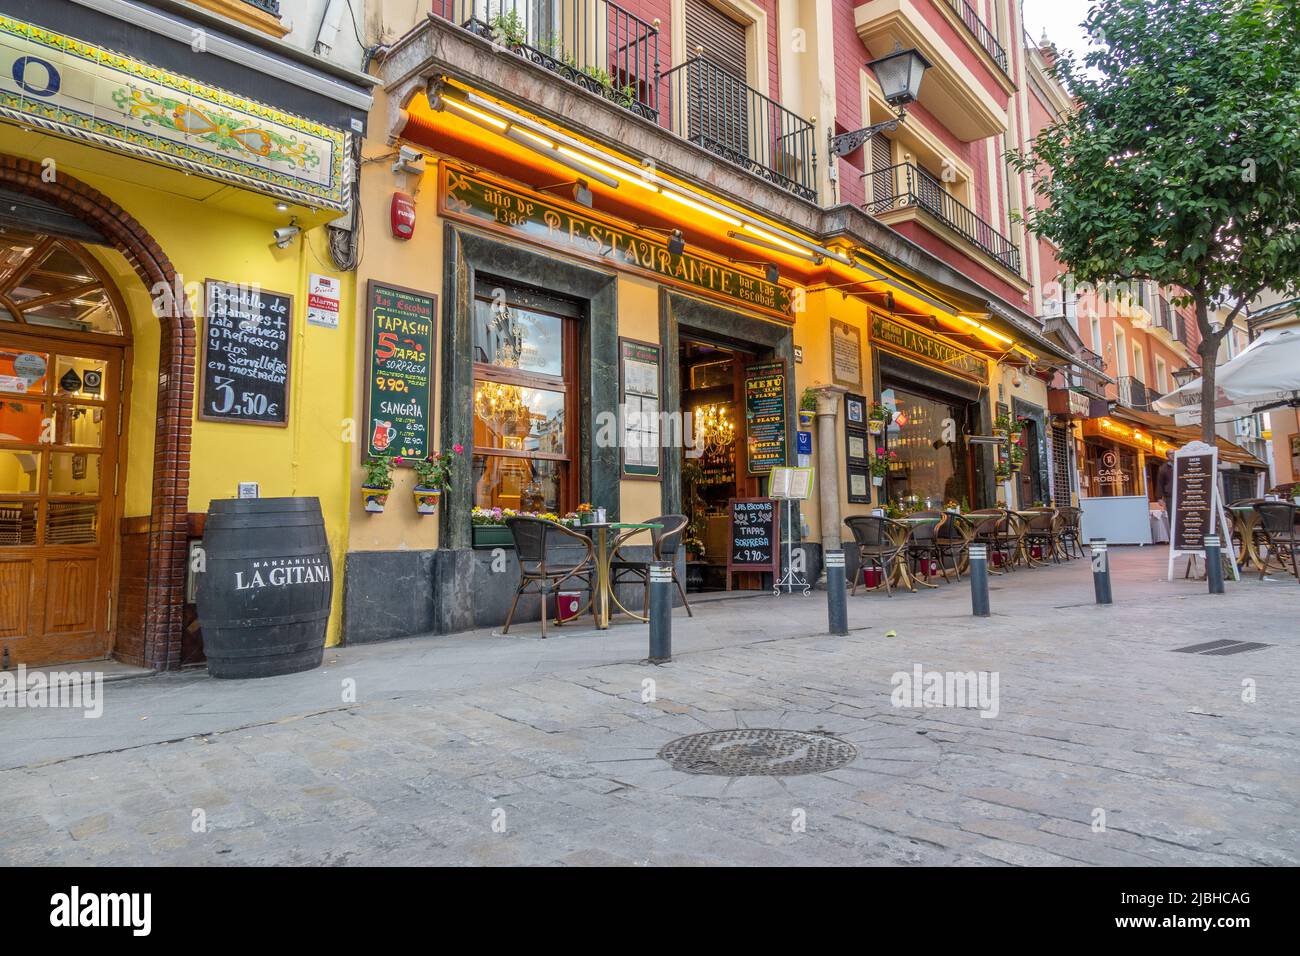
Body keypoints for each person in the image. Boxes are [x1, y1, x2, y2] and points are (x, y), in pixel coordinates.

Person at [1155, 450, 1175, 517]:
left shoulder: (1182, 464)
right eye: (1170, 454)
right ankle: (1172, 528)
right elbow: (1160, 483)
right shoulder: (1163, 468)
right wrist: (1159, 498)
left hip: (1182, 494)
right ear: (1167, 456)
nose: (1172, 455)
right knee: (1172, 515)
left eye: (1174, 453)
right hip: (1170, 496)